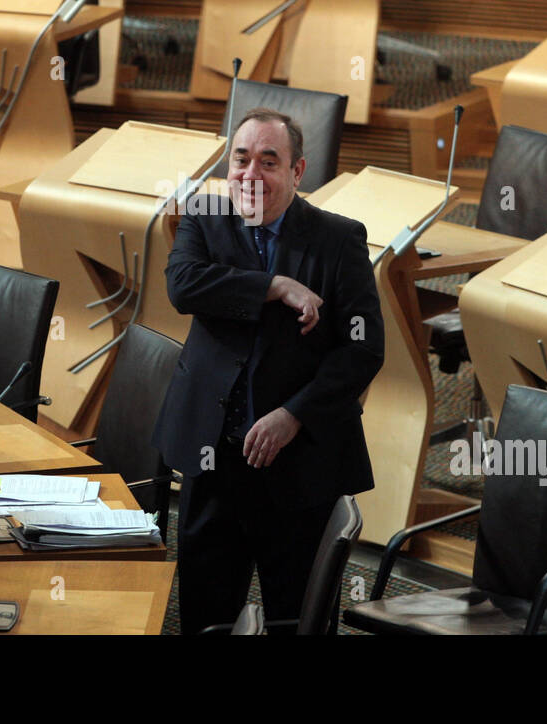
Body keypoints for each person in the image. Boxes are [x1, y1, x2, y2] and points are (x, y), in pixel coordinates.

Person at [152, 107, 384, 634]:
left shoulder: (339, 239)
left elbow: (363, 350)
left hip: (300, 467)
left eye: (268, 161)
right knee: (204, 619)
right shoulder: (204, 219)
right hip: (213, 459)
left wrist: (293, 415)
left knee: (295, 619)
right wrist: (276, 287)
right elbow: (183, 286)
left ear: (298, 173)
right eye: (240, 159)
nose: (250, 174)